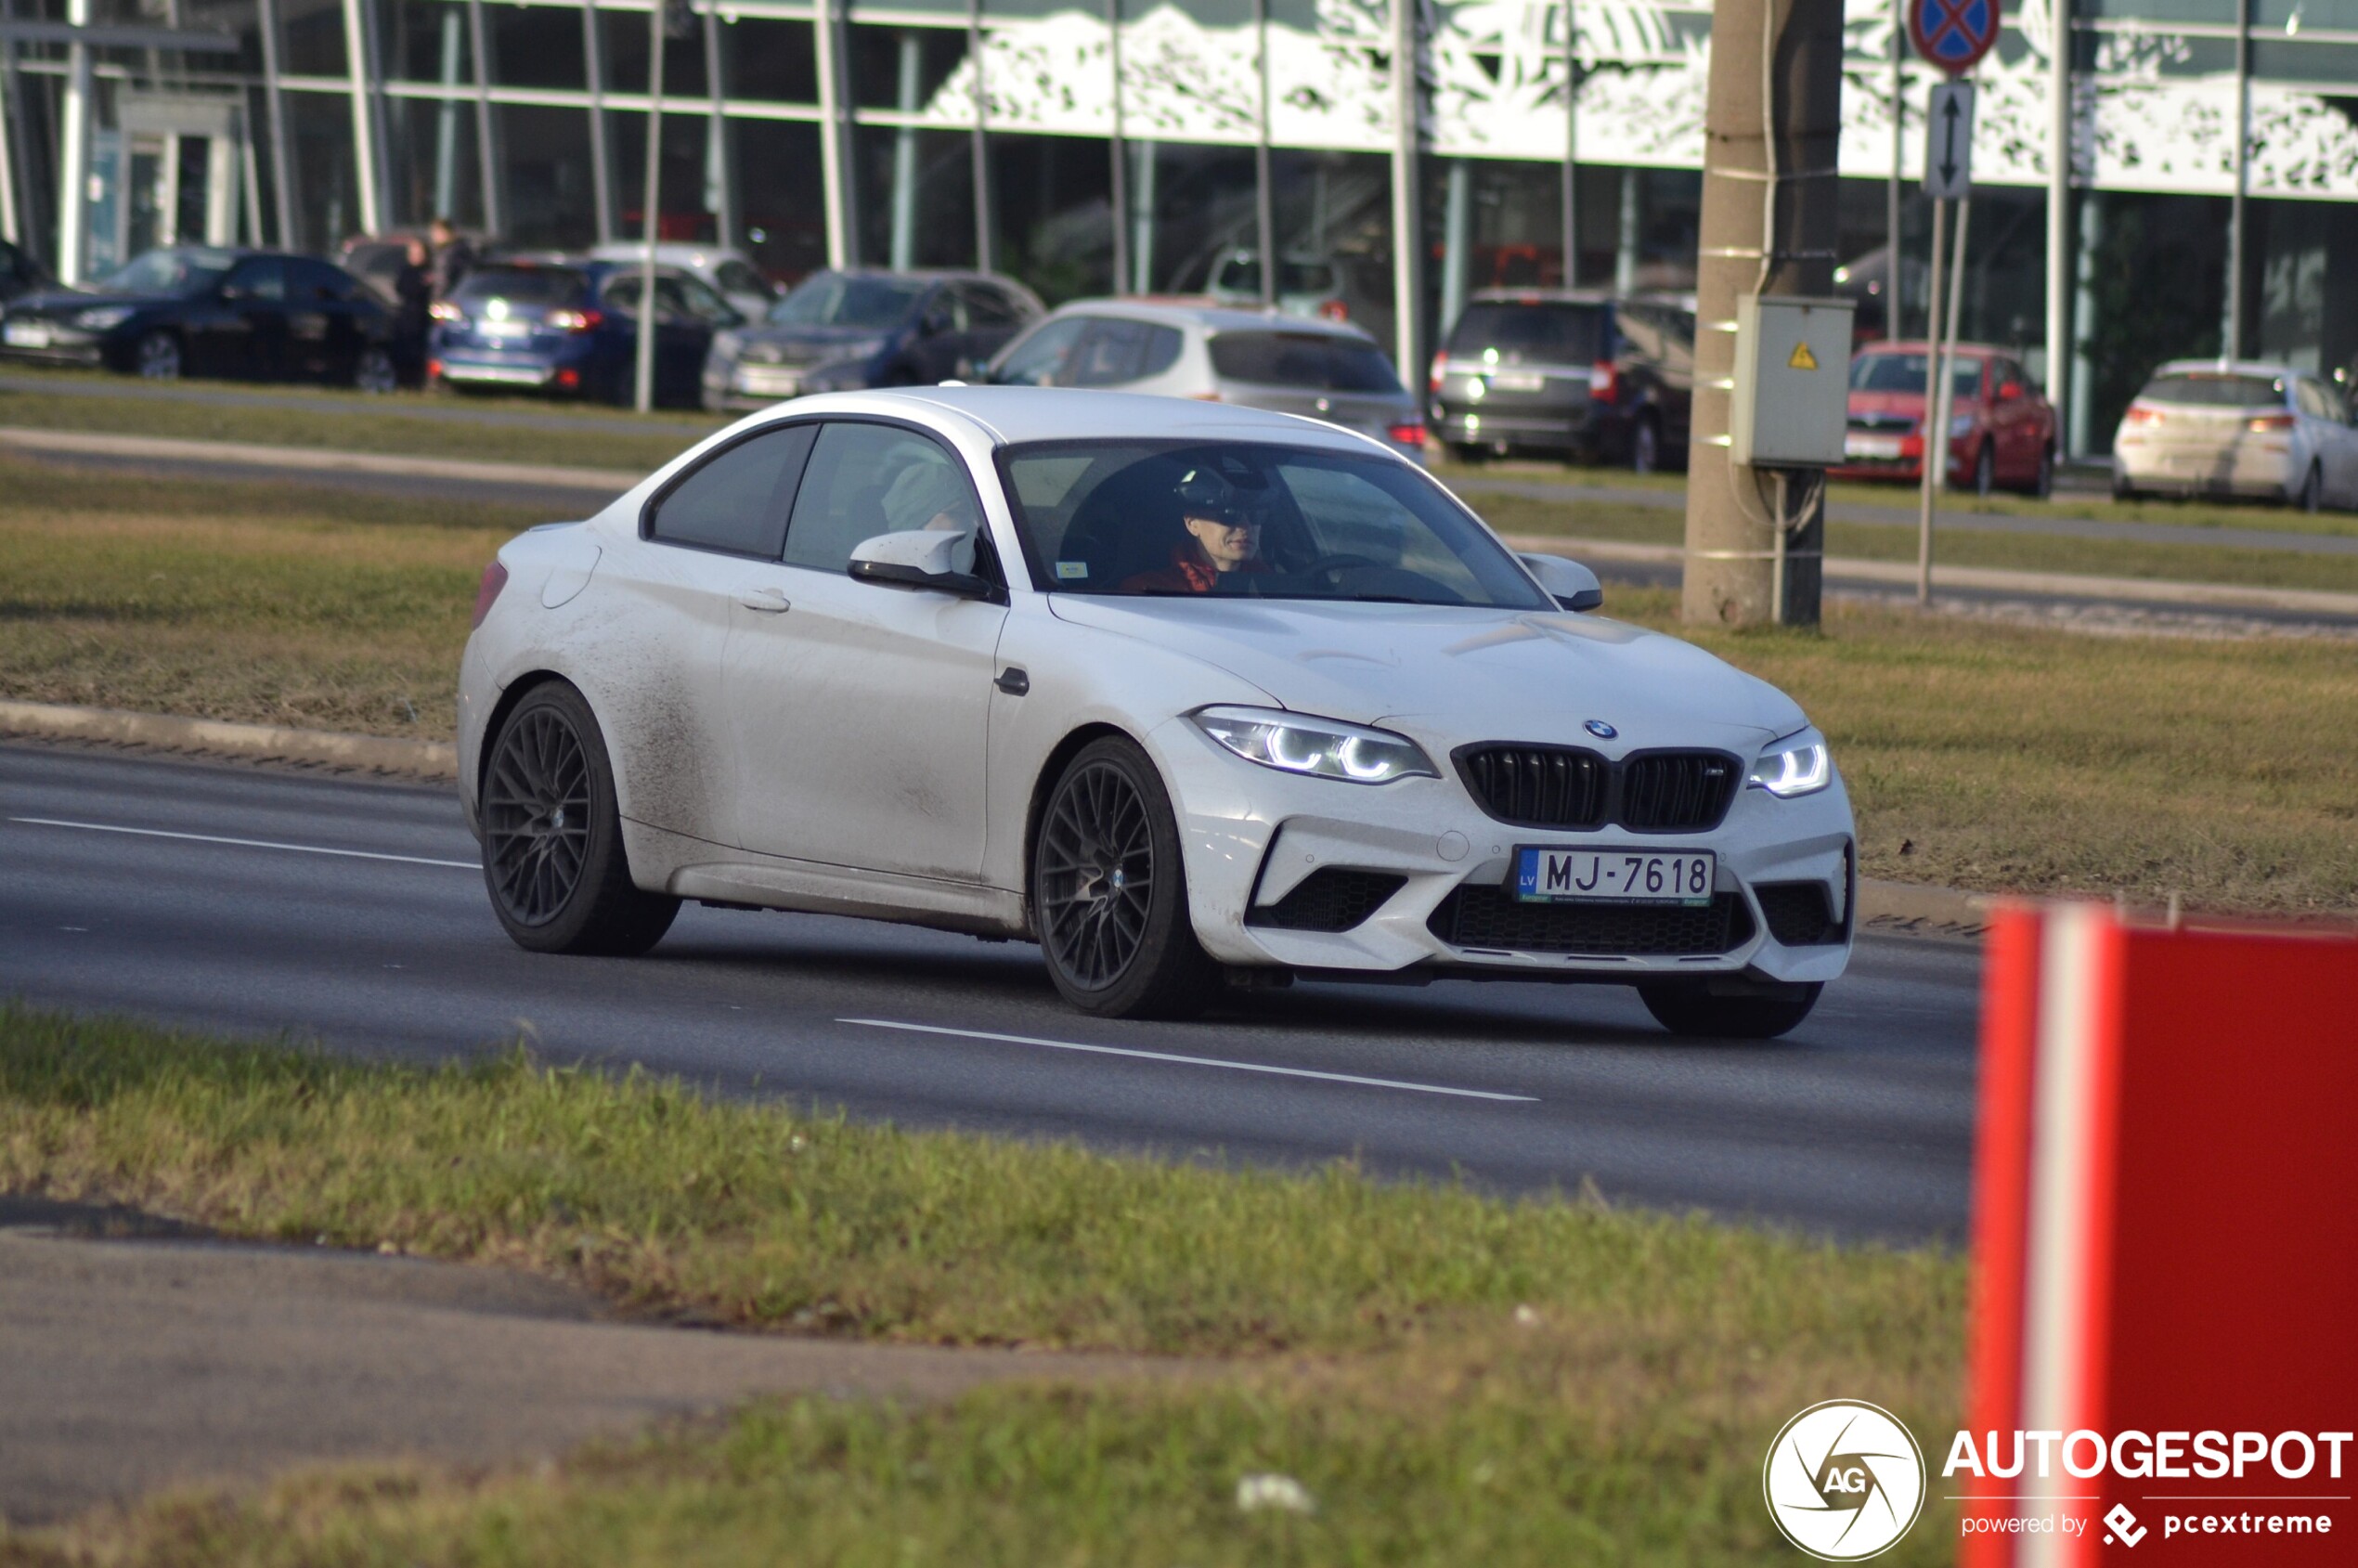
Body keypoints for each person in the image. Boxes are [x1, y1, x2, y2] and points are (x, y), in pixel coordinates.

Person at [1119, 467, 1271, 592]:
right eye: (1229, 515)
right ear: (1192, 524)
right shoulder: (1146, 591)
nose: (1245, 527)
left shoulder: (1276, 588)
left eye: (1255, 516)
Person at [392, 238, 432, 388]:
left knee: (419, 352)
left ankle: (417, 382)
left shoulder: (429, 271)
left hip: (422, 317)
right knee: (403, 351)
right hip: (406, 317)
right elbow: (403, 289)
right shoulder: (405, 271)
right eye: (413, 252)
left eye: (419, 252)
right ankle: (402, 382)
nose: (415, 256)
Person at [427, 216, 473, 300]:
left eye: (436, 232)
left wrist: (438, 298)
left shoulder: (452, 253)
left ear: (447, 233)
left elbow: (445, 278)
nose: (433, 236)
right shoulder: (445, 251)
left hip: (449, 299)